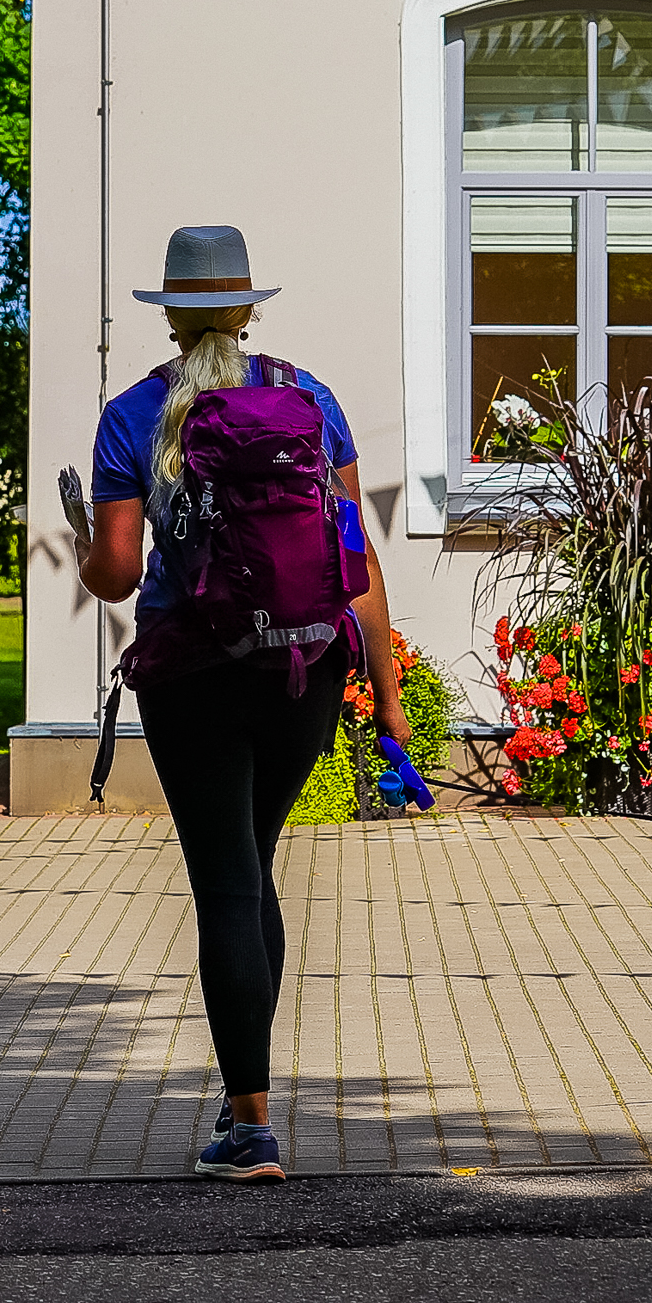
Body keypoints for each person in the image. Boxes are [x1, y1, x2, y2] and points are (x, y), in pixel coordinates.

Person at [71, 225, 405, 1182]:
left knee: (226, 880)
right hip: (307, 667)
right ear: (251, 307)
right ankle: (242, 1098)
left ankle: (252, 1124)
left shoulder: (135, 414)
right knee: (252, 864)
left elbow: (118, 571)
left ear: (172, 314)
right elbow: (357, 561)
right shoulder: (310, 398)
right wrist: (386, 700)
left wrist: (86, 545)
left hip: (195, 674)